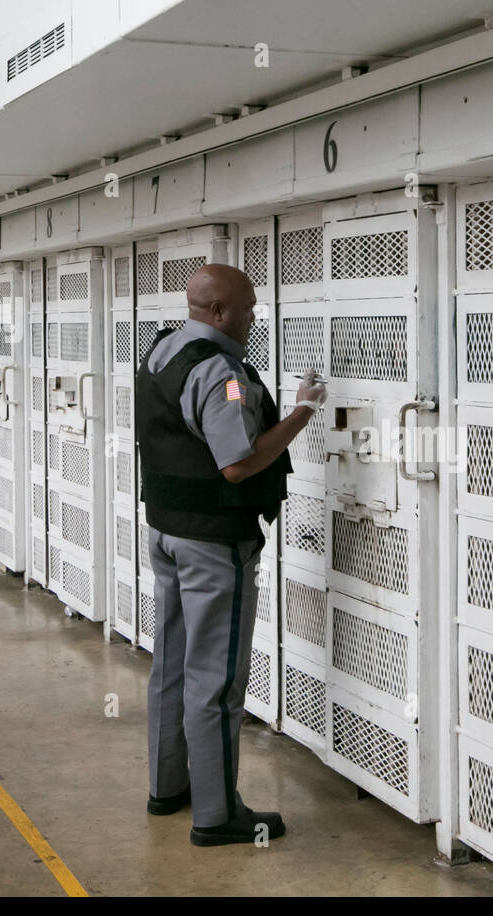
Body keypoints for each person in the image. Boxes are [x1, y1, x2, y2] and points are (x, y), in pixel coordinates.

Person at [134, 263, 327, 846]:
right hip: (213, 543)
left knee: (171, 665)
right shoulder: (219, 372)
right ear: (217, 311)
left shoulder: (162, 350)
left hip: (165, 531)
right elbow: (238, 462)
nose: (253, 318)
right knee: (215, 680)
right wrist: (301, 413)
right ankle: (217, 816)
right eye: (246, 309)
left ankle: (169, 789)